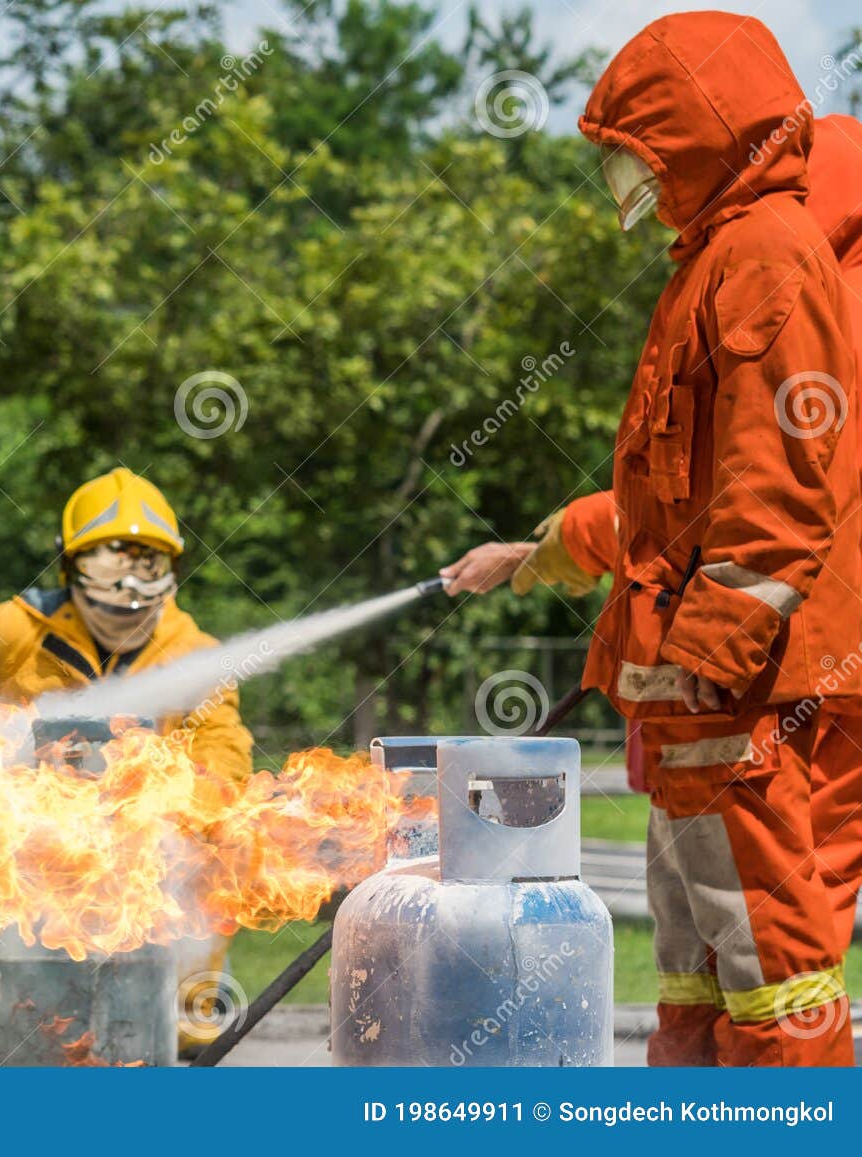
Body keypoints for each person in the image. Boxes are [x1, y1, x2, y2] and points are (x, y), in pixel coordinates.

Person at [449, 16, 862, 1066]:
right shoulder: (714, 260)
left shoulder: (768, 257)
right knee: (703, 963)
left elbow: (774, 500)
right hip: (714, 697)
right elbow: (676, 493)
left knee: (771, 960)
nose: (623, 180)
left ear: (698, 132)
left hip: (748, 694)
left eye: (634, 151)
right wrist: (547, 548)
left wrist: (703, 665)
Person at [0, 466, 253, 1054]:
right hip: (27, 862)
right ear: (69, 567)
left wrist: (179, 807)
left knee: (176, 1029)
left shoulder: (197, 657)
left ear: (172, 571)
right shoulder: (19, 629)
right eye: (107, 566)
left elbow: (223, 756)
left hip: (147, 868)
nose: (127, 590)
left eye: (146, 566)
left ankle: (170, 1018)